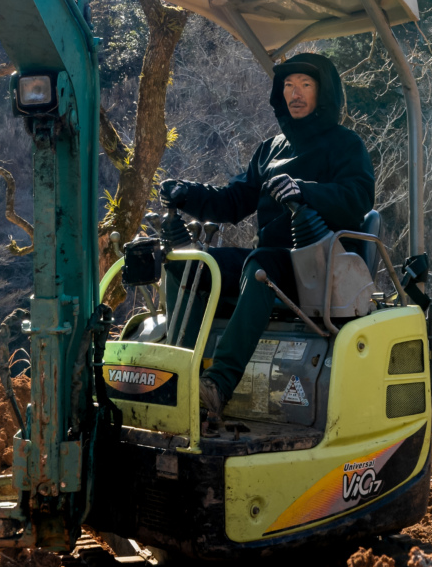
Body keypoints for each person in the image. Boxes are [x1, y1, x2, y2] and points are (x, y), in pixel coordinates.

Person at [158, 52, 374, 421]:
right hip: (271, 259)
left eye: (306, 84)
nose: (296, 93)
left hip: (320, 265)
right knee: (194, 266)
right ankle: (180, 376)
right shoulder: (270, 149)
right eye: (289, 85)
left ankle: (218, 385)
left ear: (324, 93)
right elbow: (232, 201)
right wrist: (188, 193)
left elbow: (357, 199)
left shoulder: (345, 145)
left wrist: (304, 191)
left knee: (259, 265)